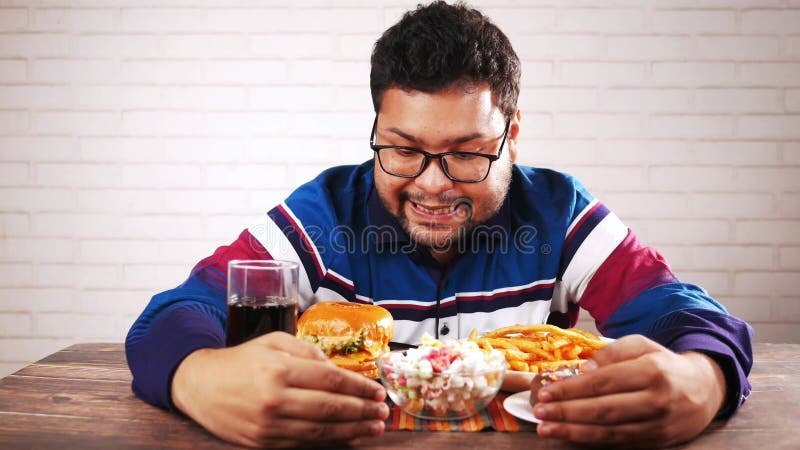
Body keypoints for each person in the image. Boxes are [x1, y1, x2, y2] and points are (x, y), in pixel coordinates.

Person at [126, 1, 753, 448]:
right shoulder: (323, 213)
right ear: (375, 133)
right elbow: (178, 311)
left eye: (467, 152)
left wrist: (702, 381)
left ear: (511, 136)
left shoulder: (558, 213)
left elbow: (679, 311)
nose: (431, 182)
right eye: (402, 149)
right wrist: (198, 378)